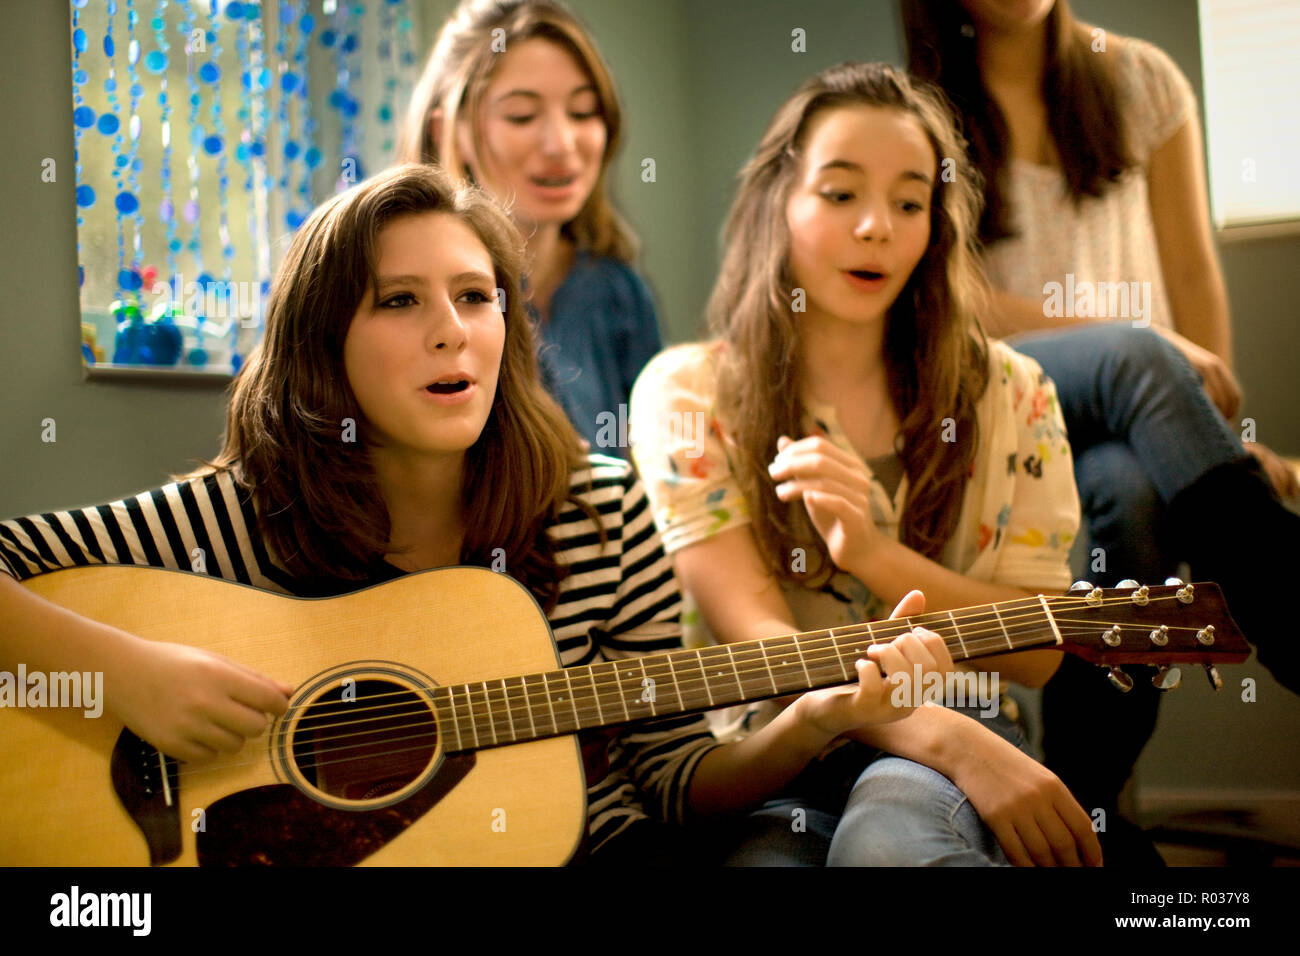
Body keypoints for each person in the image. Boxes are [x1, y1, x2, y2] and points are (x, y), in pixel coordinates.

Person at [0, 162, 956, 865]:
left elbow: (670, 782)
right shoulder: (224, 523)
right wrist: (126, 673)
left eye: (474, 296)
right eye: (398, 301)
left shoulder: (601, 508)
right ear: (321, 346)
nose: (452, 328)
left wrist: (814, 720)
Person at [631, 61, 1102, 866]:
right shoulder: (686, 392)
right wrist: (943, 740)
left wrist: (877, 556)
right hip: (780, 741)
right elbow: (765, 649)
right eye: (841, 193)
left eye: (910, 201)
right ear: (778, 204)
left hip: (959, 714)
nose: (877, 226)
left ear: (936, 226)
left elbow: (1034, 651)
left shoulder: (1013, 393)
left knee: (890, 848)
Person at [902, 0, 1300, 860]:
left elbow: (1192, 269)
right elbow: (958, 302)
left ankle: (1083, 811)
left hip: (1138, 423)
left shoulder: (1142, 82)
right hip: (1005, 407)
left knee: (1129, 489)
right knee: (1131, 355)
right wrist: (1143, 348)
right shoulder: (923, 109)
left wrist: (1204, 429)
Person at [397, 0, 660, 457]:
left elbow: (655, 468)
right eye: (521, 115)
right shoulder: (404, 294)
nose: (561, 144)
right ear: (447, 132)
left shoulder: (619, 291)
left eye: (582, 112)